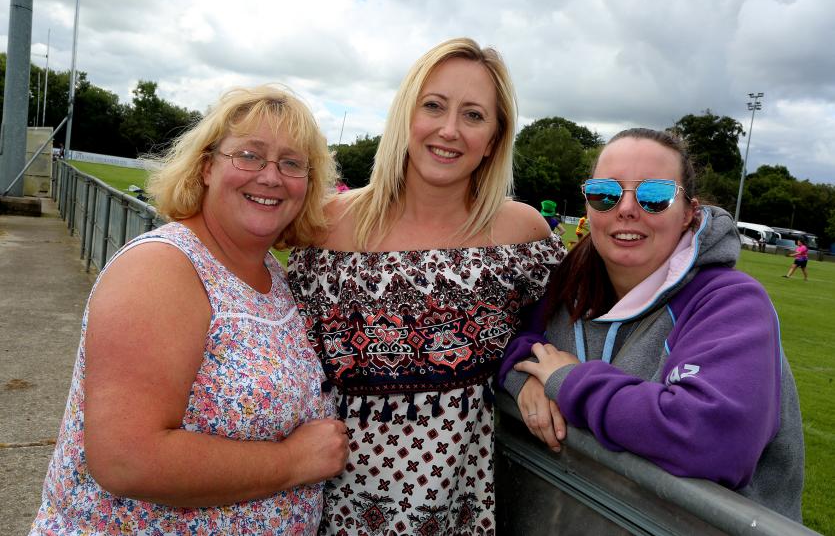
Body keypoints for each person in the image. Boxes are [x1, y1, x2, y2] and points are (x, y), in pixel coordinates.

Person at [30, 85, 349, 535]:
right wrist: (292, 462)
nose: (271, 176)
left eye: (292, 163)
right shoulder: (162, 268)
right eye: (250, 155)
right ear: (205, 167)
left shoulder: (271, 276)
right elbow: (128, 459)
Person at [287, 38, 566, 534]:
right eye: (433, 106)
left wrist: (536, 379)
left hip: (453, 511)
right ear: (405, 115)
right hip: (321, 506)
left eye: (474, 115)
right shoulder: (327, 225)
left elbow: (553, 334)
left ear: (495, 136)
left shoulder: (521, 235)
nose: (449, 130)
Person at [500, 128, 805, 521]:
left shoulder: (730, 301)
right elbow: (506, 339)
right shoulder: (568, 283)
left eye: (654, 196)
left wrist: (568, 382)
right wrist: (523, 379)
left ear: (688, 213)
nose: (626, 208)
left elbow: (711, 440)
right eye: (605, 193)